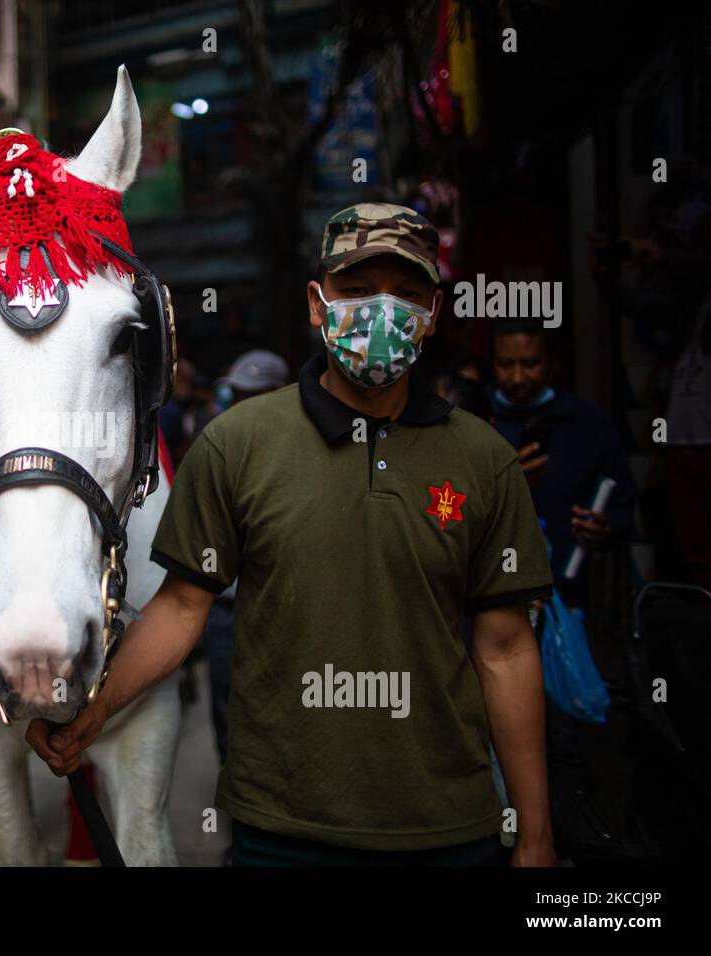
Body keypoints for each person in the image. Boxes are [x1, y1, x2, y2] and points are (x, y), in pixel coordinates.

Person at [28, 203, 557, 866]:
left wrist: (535, 833)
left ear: (433, 312)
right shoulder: (238, 445)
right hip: (282, 829)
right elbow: (184, 605)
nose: (381, 313)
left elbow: (506, 649)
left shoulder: (484, 460)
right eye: (358, 292)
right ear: (317, 303)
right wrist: (94, 710)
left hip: (450, 829)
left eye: (406, 295)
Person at [488, 321, 635, 608]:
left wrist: (605, 530)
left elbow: (623, 510)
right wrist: (506, 485)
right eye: (506, 364)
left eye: (530, 363)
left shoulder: (591, 425)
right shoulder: (472, 422)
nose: (518, 378)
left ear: (553, 362)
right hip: (492, 596)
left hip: (570, 597)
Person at [202, 350, 290, 765]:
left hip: (284, 611)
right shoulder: (218, 446)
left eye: (253, 395)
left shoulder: (304, 453)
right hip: (225, 611)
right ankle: (234, 795)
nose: (241, 405)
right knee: (228, 709)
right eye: (236, 394)